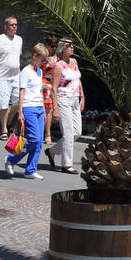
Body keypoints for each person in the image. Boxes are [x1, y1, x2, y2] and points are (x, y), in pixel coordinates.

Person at [5, 43, 48, 179]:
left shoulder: (39, 72)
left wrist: (44, 109)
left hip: (39, 108)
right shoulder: (25, 71)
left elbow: (40, 91)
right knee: (34, 139)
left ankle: (30, 170)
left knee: (39, 141)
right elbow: (21, 92)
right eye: (42, 59)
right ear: (34, 56)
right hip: (28, 108)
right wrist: (21, 112)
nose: (43, 62)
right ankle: (11, 159)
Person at [52, 37, 85, 174]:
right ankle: (67, 164)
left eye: (72, 45)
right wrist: (55, 108)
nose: (72, 47)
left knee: (77, 132)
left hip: (75, 100)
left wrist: (82, 96)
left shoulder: (74, 62)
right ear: (62, 49)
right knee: (68, 133)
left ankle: (52, 151)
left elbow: (78, 80)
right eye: (69, 46)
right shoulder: (58, 66)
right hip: (63, 100)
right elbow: (54, 88)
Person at [41, 31, 61, 148]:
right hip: (45, 84)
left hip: (56, 85)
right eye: (52, 45)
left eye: (55, 45)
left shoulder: (58, 59)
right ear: (47, 45)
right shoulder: (43, 58)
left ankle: (40, 130)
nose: (54, 48)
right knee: (48, 109)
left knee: (54, 113)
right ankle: (47, 134)